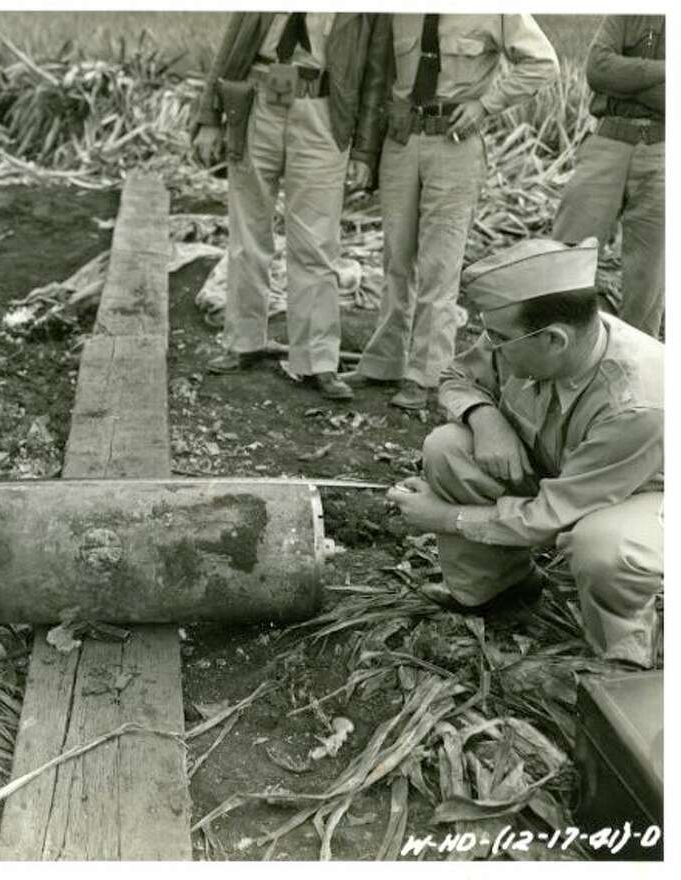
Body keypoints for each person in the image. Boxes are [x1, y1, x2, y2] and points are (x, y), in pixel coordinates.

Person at [388, 238, 663, 669]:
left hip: (641, 495)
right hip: (568, 475)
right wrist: (485, 418)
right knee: (447, 447)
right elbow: (458, 375)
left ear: (554, 340)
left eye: (498, 338)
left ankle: (623, 659)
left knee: (605, 545)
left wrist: (441, 517)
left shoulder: (638, 403)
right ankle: (497, 589)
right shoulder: (532, 332)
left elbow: (551, 515)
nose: (489, 347)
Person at [348, 14, 558, 410]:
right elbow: (378, 70)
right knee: (395, 256)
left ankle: (426, 374)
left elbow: (543, 63)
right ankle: (383, 362)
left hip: (453, 144)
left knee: (439, 265)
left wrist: (486, 104)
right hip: (401, 140)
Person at [191, 12, 389, 400]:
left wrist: (365, 149)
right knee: (247, 235)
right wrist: (209, 117)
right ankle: (243, 342)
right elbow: (232, 46)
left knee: (316, 244)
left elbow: (376, 74)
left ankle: (316, 361)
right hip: (257, 103)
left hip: (324, 111)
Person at [552, 15, 665, 339]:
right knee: (568, 254)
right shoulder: (626, 14)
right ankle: (559, 354)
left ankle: (634, 372)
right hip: (608, 141)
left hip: (664, 147)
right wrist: (664, 71)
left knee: (649, 275)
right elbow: (598, 70)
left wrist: (627, 80)